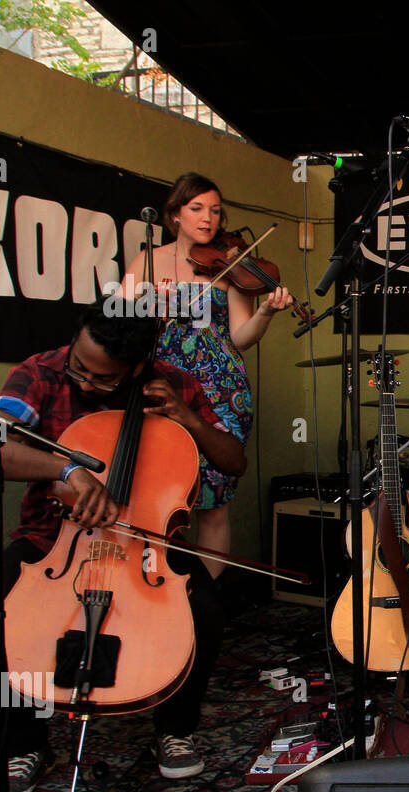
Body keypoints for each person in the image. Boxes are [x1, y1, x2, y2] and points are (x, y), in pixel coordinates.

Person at [0, 304, 246, 792]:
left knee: (206, 613)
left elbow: (232, 460)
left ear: (135, 368)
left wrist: (187, 418)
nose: (84, 380)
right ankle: (24, 743)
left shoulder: (175, 383)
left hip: (149, 542)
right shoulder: (41, 372)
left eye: (102, 378)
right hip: (53, 539)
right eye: (79, 367)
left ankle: (174, 729)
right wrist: (64, 470)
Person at [122, 172, 293, 577]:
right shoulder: (147, 261)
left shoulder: (232, 263)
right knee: (158, 498)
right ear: (175, 214)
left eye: (215, 211)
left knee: (214, 504)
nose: (208, 218)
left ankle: (205, 606)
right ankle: (158, 599)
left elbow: (240, 335)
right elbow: (117, 323)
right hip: (161, 387)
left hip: (221, 391)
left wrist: (265, 312)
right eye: (197, 208)